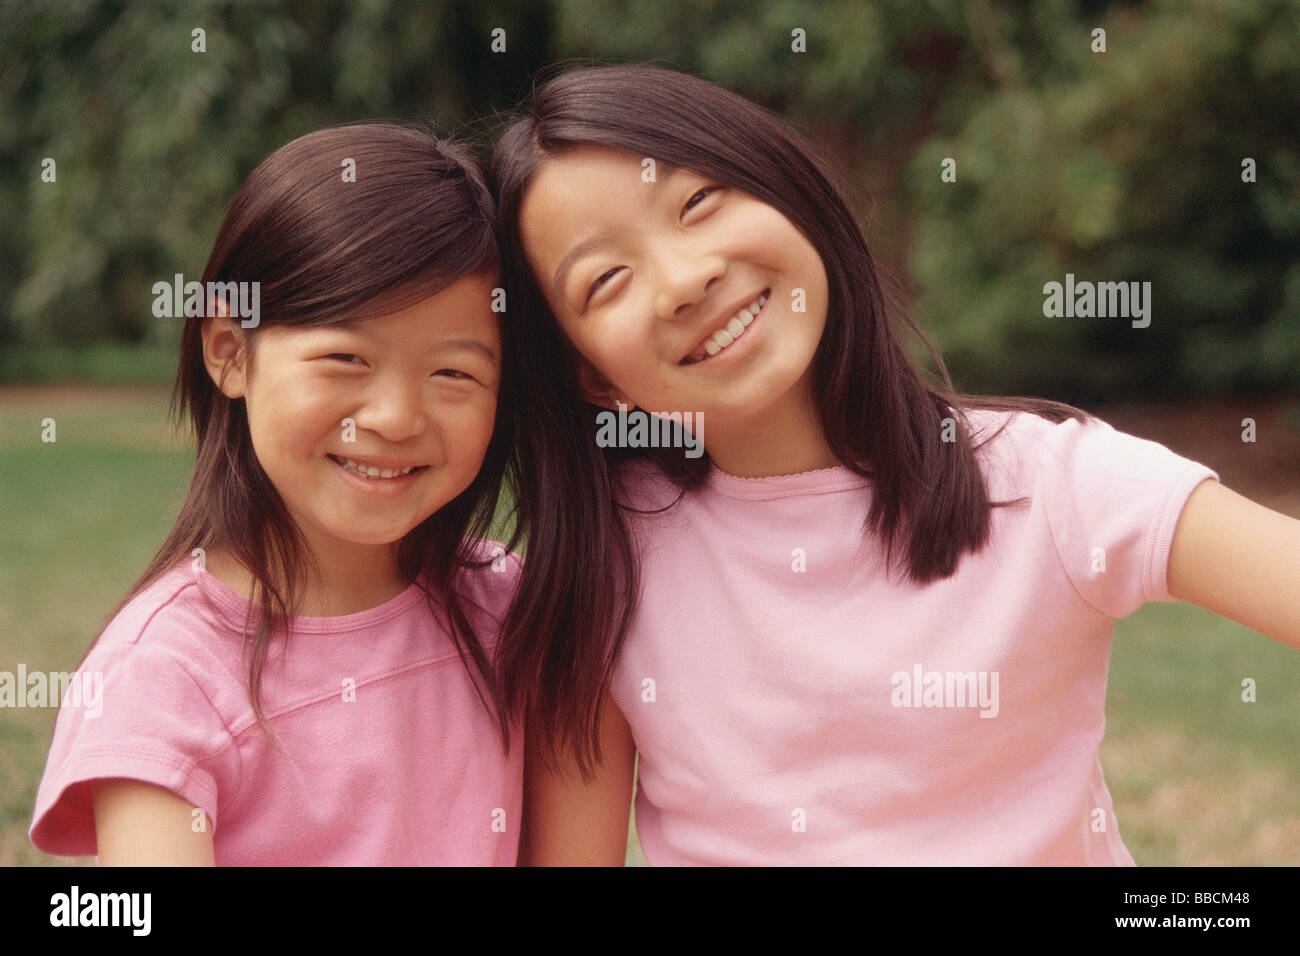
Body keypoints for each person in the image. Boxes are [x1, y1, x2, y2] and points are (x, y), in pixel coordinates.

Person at [489, 64, 1300, 865]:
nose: (683, 279)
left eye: (698, 203)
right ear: (593, 376)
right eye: (607, 280)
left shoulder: (1049, 484)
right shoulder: (599, 571)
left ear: (786, 189)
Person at [31, 123, 524, 865]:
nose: (395, 417)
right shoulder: (164, 676)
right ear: (231, 351)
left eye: (453, 373)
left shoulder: (509, 611)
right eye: (344, 357)